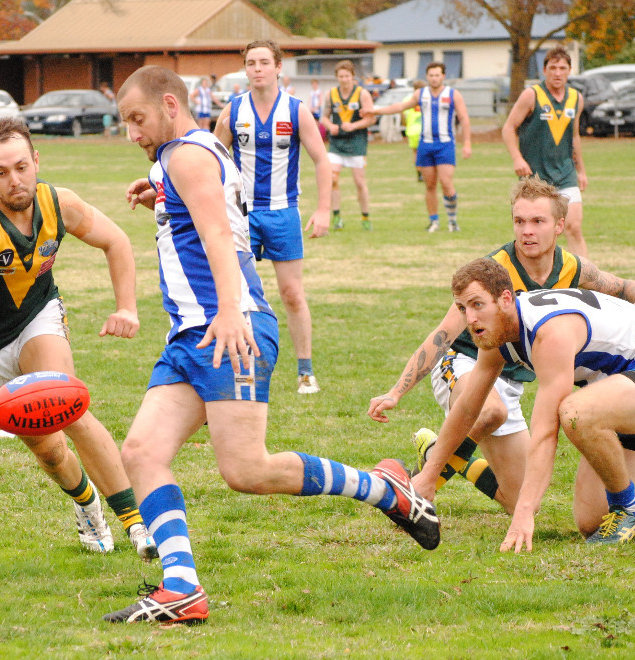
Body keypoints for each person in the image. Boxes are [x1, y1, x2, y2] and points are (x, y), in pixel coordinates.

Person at [104, 66, 440, 624]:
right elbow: (213, 214)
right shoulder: (190, 152)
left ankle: (387, 490)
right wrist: (161, 195)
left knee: (247, 471)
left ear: (169, 103)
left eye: (138, 120)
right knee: (141, 452)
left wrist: (232, 311)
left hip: (225, 329)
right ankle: (181, 588)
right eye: (127, 125)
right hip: (192, 333)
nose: (133, 133)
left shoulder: (186, 156)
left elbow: (216, 234)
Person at [0, 117, 157, 560]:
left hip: (37, 316)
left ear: (36, 160)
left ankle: (137, 524)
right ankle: (86, 503)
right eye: (0, 172)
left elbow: (117, 241)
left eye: (20, 167)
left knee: (67, 402)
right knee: (50, 452)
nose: (14, 180)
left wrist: (127, 306)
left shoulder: (59, 203)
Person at [369, 176, 635, 515]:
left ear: (559, 226)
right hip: (463, 362)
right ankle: (423, 485)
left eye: (538, 221)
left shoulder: (573, 268)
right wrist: (396, 392)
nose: (527, 231)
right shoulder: (494, 273)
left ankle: (444, 453)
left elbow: (627, 287)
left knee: (521, 501)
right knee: (491, 411)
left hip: (510, 381)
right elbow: (443, 334)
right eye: (519, 221)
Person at [413, 256, 635, 551]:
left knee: (574, 413)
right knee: (592, 521)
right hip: (617, 390)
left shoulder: (549, 333)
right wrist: (428, 477)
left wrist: (524, 511)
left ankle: (626, 508)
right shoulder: (497, 333)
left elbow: (546, 431)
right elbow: (468, 408)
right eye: (462, 308)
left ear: (505, 299)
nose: (470, 318)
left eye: (477, 305)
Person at [214, 39, 331, 395]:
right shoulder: (232, 112)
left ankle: (305, 371)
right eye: (251, 63)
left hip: (283, 213)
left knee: (292, 293)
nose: (258, 69)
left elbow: (322, 160)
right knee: (235, 294)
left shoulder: (296, 111)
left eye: (264, 62)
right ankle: (240, 368)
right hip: (241, 215)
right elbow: (211, 159)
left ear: (279, 67)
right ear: (245, 69)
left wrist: (324, 208)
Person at [364, 62, 471, 233]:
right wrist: (376, 111)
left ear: (443, 76)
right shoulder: (421, 94)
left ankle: (452, 221)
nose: (434, 78)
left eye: (437, 75)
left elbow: (464, 118)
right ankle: (434, 221)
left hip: (445, 145)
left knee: (446, 182)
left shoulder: (452, 94)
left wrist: (467, 143)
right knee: (430, 185)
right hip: (425, 145)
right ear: (426, 77)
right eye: (431, 75)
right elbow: (400, 106)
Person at [502, 46, 588, 257]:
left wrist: (581, 170)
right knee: (538, 235)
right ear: (544, 70)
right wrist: (517, 158)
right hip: (536, 177)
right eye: (552, 68)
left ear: (569, 71)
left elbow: (574, 136)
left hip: (566, 174)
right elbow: (508, 127)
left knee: (573, 227)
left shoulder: (576, 98)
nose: (557, 73)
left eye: (562, 68)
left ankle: (586, 282)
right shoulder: (532, 95)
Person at [319, 60, 375, 231]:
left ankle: (365, 216)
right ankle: (337, 217)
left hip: (357, 142)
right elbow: (324, 117)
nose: (344, 79)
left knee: (359, 182)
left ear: (353, 77)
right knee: (333, 178)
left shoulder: (362, 94)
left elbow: (371, 118)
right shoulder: (331, 94)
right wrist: (330, 127)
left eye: (347, 76)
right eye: (341, 76)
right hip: (337, 143)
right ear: (337, 77)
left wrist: (354, 125)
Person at [403, 79, 426, 182]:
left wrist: (406, 125)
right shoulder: (427, 98)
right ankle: (427, 172)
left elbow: (403, 115)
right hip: (425, 130)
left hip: (412, 130)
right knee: (427, 153)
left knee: (416, 153)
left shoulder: (407, 99)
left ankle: (419, 174)